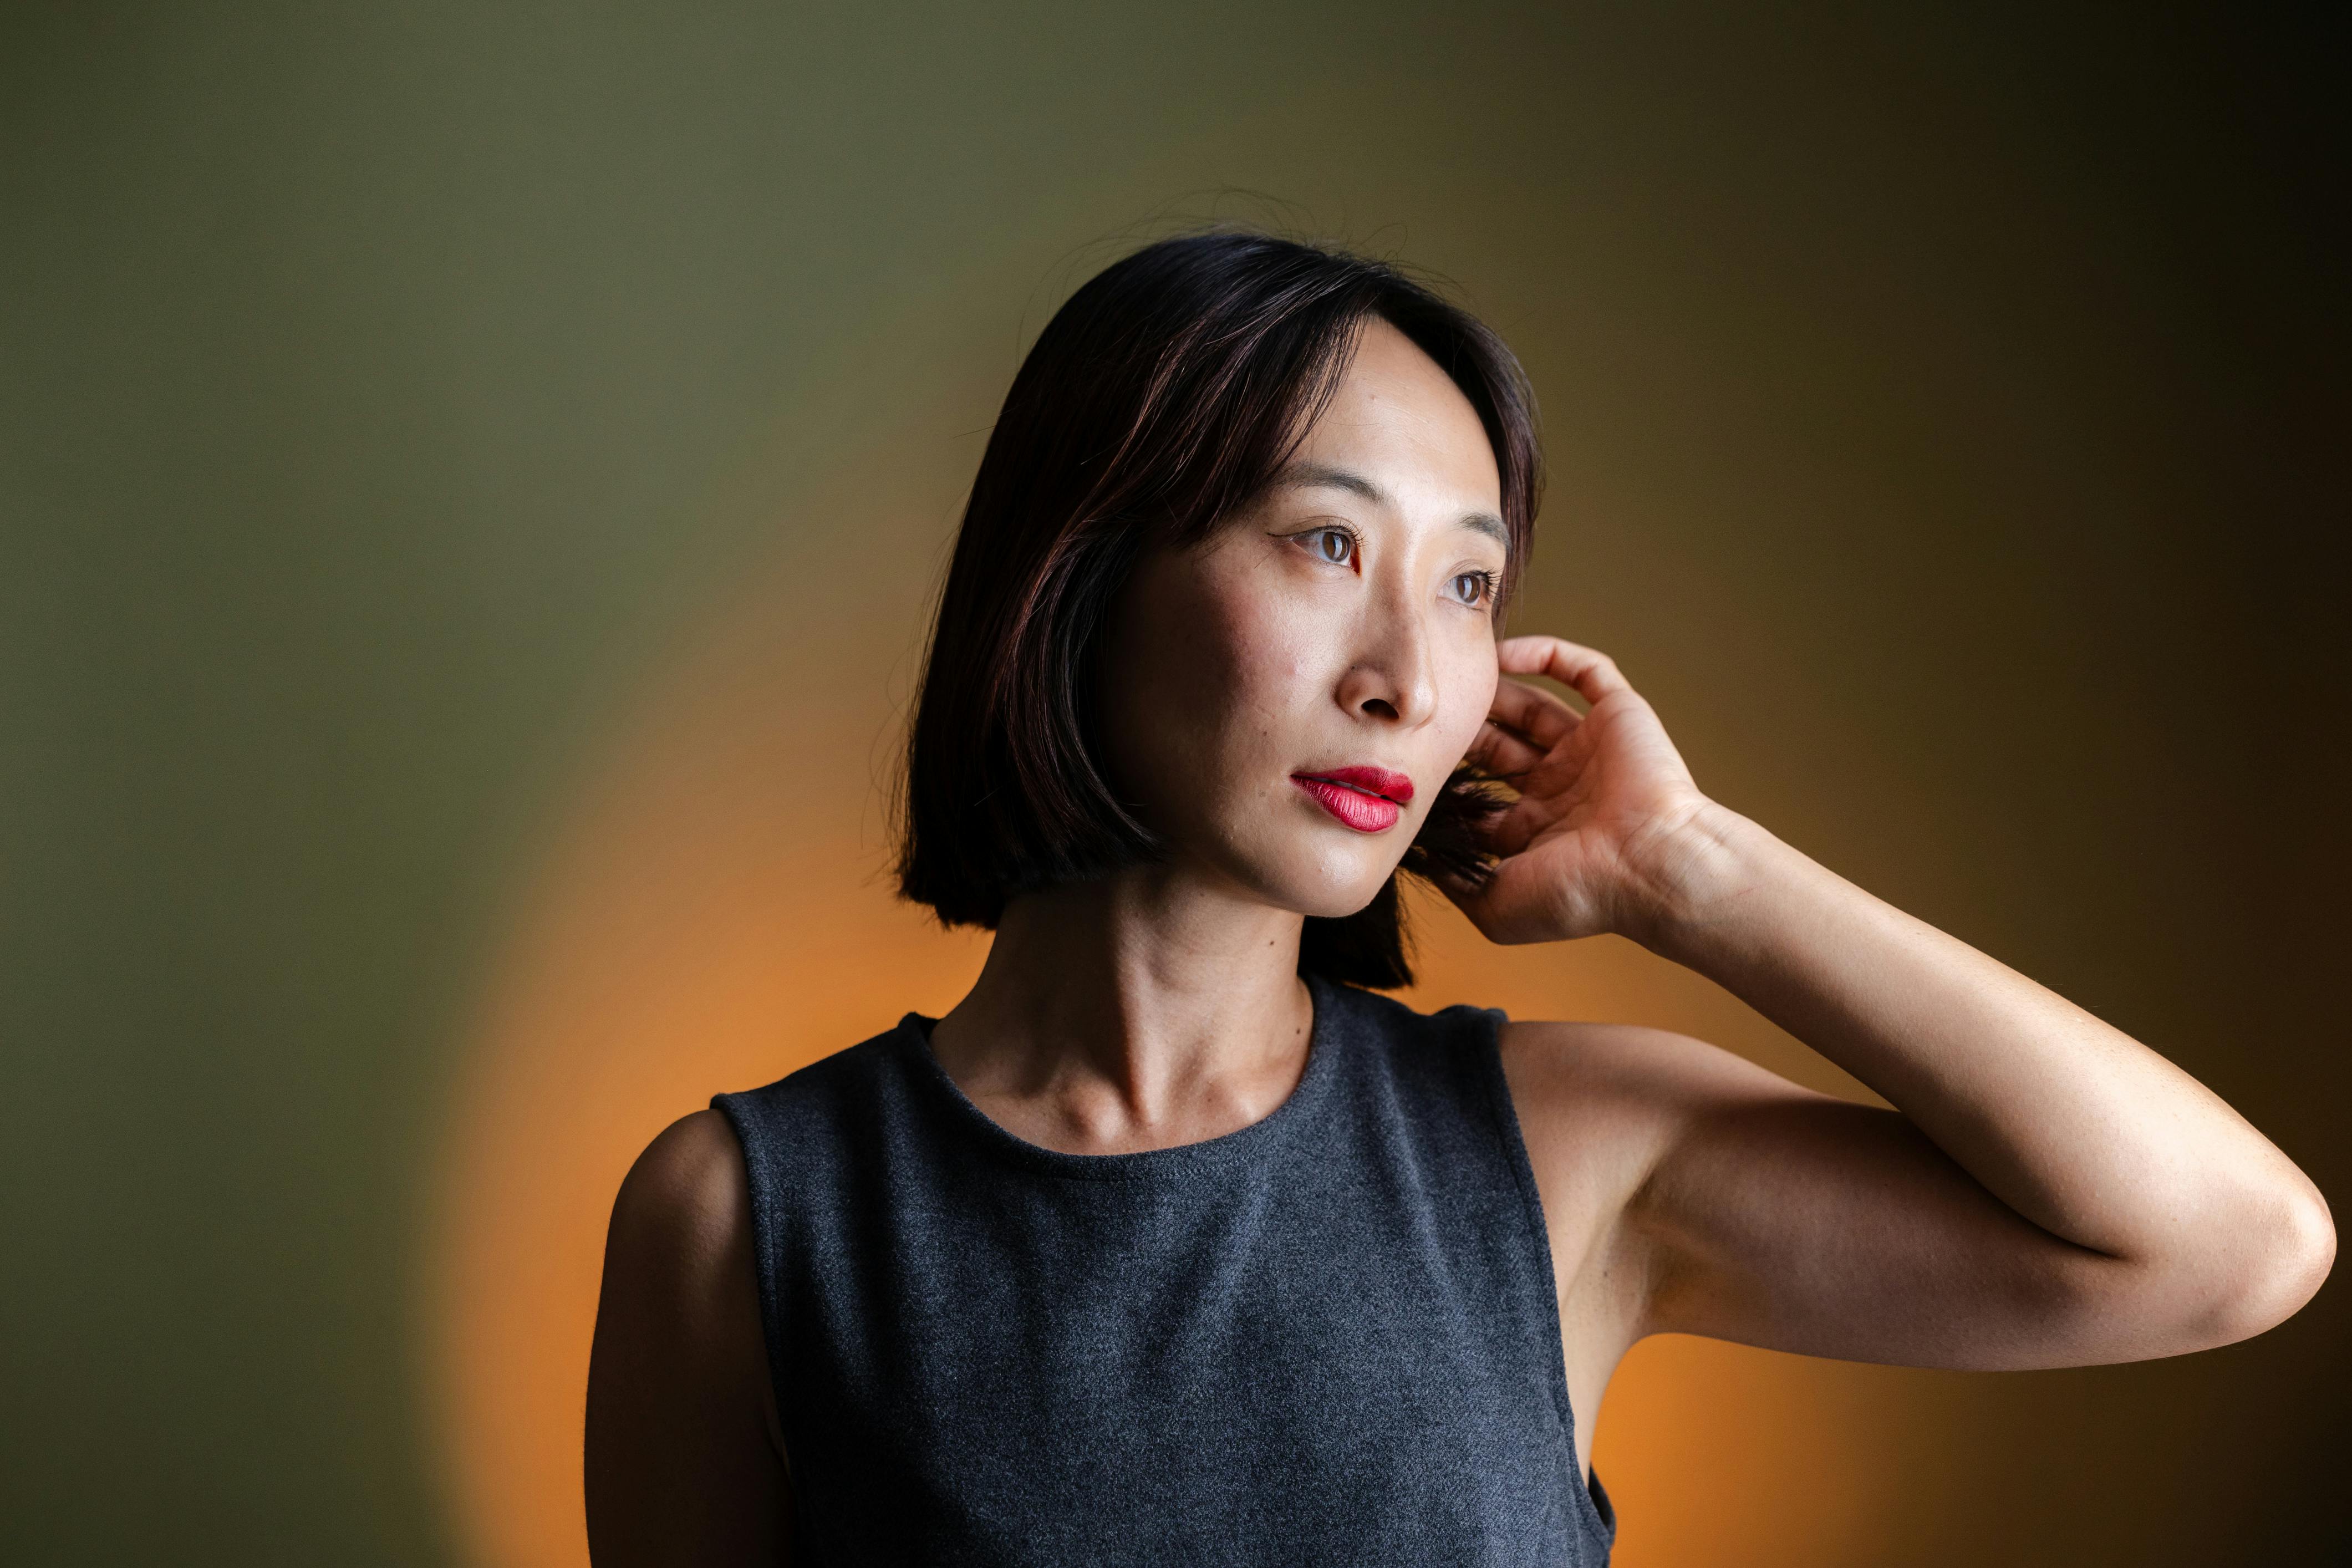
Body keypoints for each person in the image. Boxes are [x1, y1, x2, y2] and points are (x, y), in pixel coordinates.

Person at [581, 231, 2334, 1566]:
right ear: (1084, 569)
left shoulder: (1559, 1152)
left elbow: (2227, 1245)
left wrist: (1686, 868)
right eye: (1326, 542)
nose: (1411, 676)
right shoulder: (741, 1219)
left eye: (1471, 581)